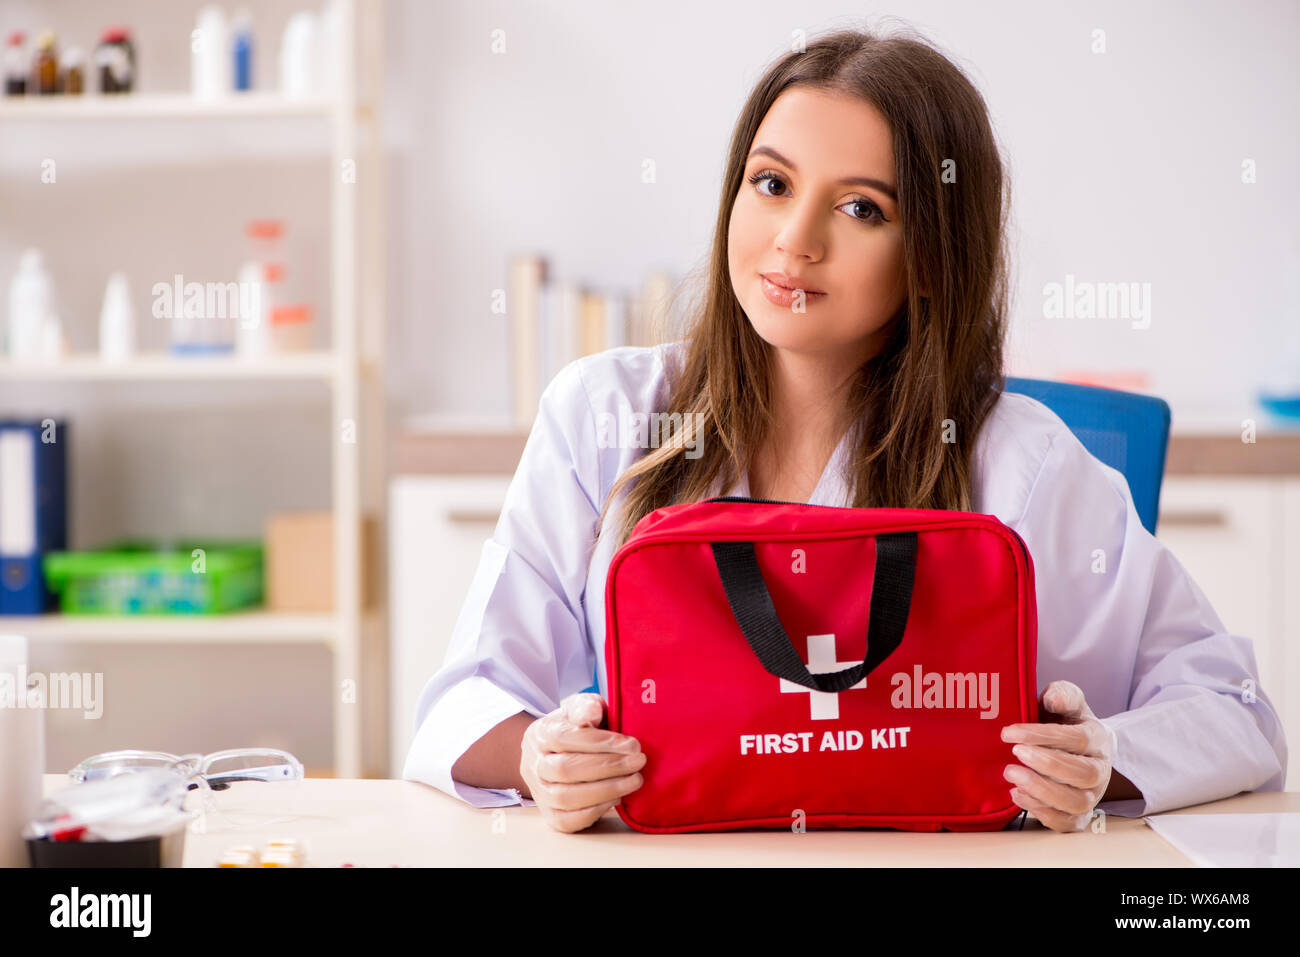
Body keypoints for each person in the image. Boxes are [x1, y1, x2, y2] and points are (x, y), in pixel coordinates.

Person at [402, 27, 1287, 834]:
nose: (793, 239)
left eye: (861, 208)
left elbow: (1235, 707)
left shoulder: (1025, 461)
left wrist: (1102, 764)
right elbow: (462, 701)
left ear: (935, 258)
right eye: (772, 183)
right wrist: (537, 758)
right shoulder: (605, 415)